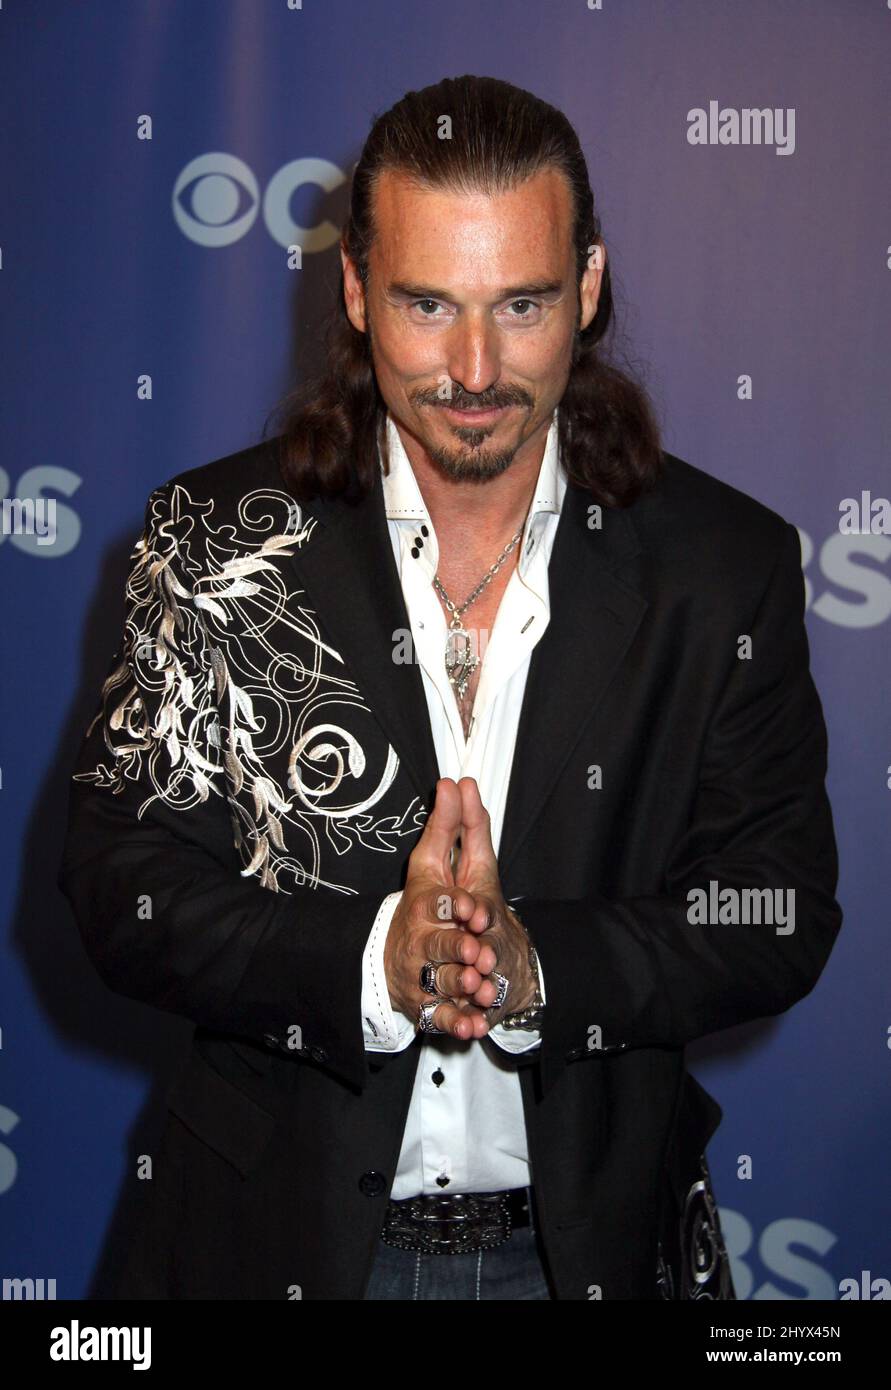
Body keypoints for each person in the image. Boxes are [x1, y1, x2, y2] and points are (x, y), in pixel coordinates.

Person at [59, 74, 842, 1301]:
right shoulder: (210, 541)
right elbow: (121, 886)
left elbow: (778, 909)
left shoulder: (722, 566)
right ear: (359, 293)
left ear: (588, 288)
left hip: (591, 1250)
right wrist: (371, 960)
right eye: (428, 303)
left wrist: (541, 971)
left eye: (521, 303)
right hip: (266, 1244)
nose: (475, 369)